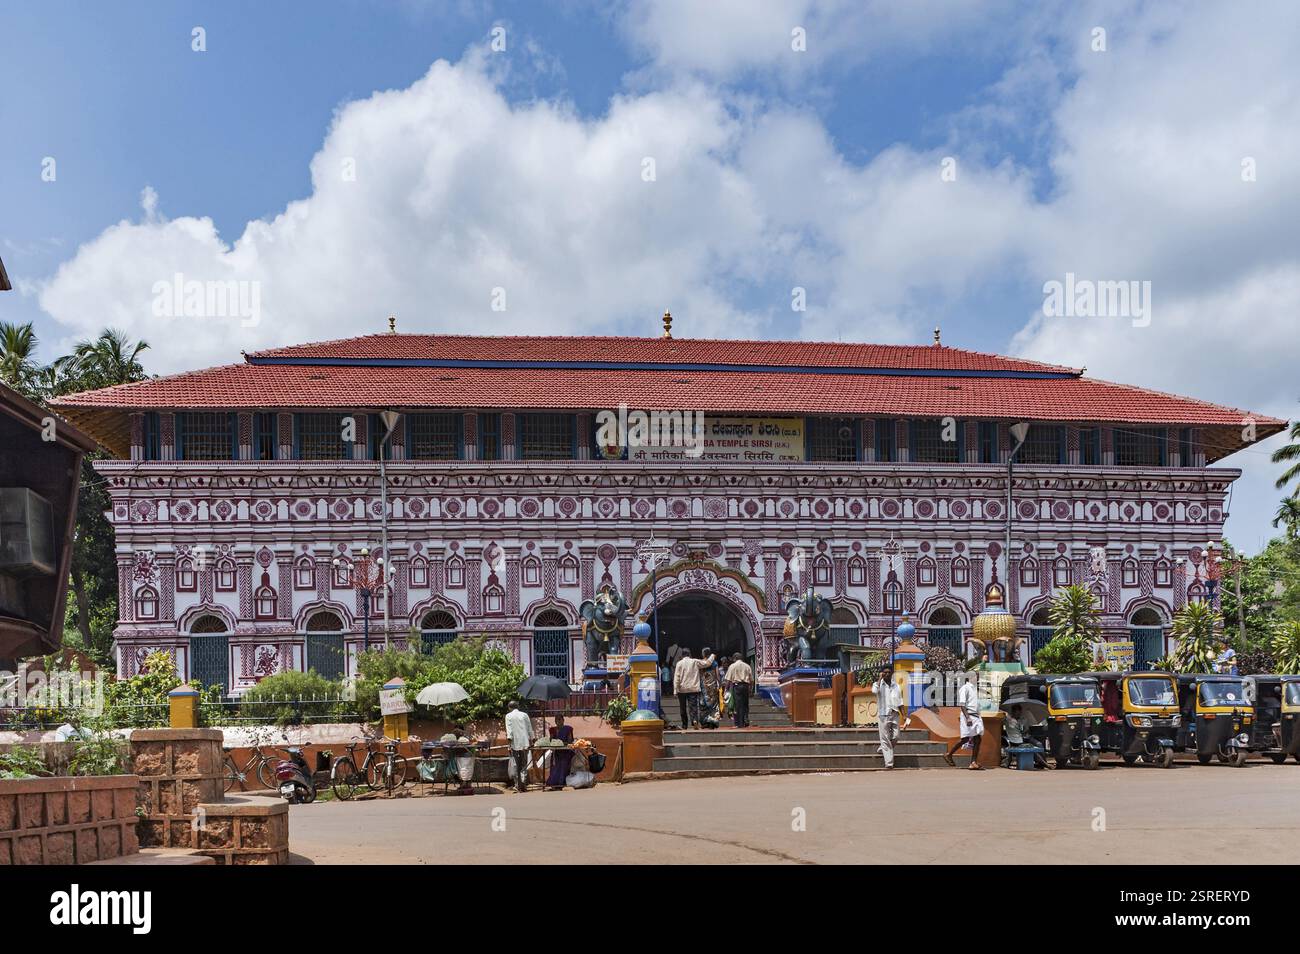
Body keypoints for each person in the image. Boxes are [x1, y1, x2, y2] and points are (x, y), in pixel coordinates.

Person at [871, 668, 908, 769]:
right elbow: (874, 691)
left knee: (896, 736)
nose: (887, 674)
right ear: (882, 673)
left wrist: (904, 715)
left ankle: (883, 748)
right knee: (885, 739)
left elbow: (900, 702)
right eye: (885, 672)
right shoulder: (877, 684)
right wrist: (879, 679)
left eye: (889, 672)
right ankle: (889, 763)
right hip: (883, 715)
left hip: (894, 714)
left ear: (892, 674)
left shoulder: (896, 685)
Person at [945, 677, 984, 769]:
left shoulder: (974, 689)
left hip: (976, 716)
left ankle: (973, 762)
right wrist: (967, 718)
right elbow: (962, 704)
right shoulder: (965, 688)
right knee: (965, 739)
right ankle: (949, 754)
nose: (977, 678)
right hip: (968, 716)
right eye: (975, 676)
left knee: (977, 739)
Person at [673, 648, 715, 729]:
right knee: (693, 707)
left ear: (682, 655)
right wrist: (712, 656)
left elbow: (676, 677)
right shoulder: (695, 661)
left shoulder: (679, 663)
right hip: (693, 688)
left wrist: (675, 690)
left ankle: (684, 725)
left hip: (682, 689)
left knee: (683, 707)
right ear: (690, 655)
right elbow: (707, 663)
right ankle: (694, 720)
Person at [504, 701, 534, 792]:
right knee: (524, 764)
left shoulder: (508, 716)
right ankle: (523, 783)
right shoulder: (524, 715)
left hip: (515, 743)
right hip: (525, 743)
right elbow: (529, 728)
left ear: (509, 707)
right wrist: (531, 740)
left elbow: (509, 731)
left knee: (516, 764)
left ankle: (517, 784)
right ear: (518, 706)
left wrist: (509, 744)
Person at [545, 714, 575, 790]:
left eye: (559, 719)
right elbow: (551, 741)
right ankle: (554, 784)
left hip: (565, 752)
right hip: (556, 752)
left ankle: (562, 783)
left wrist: (563, 743)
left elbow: (570, 741)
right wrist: (555, 743)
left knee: (564, 767)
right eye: (556, 720)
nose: (558, 721)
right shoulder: (552, 730)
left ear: (563, 720)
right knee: (555, 768)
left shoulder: (568, 729)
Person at [724, 653, 754, 728]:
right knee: (745, 704)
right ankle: (746, 720)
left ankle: (738, 724)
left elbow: (728, 680)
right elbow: (751, 680)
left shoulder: (732, 666)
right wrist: (751, 689)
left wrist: (726, 690)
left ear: (735, 658)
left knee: (737, 705)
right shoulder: (747, 666)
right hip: (745, 686)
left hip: (737, 686)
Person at [698, 646, 723, 728]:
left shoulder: (701, 663)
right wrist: (720, 684)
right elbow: (717, 675)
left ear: (704, 654)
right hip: (713, 687)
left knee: (703, 704)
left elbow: (699, 675)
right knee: (714, 705)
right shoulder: (714, 663)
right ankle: (713, 721)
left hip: (704, 687)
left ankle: (705, 722)